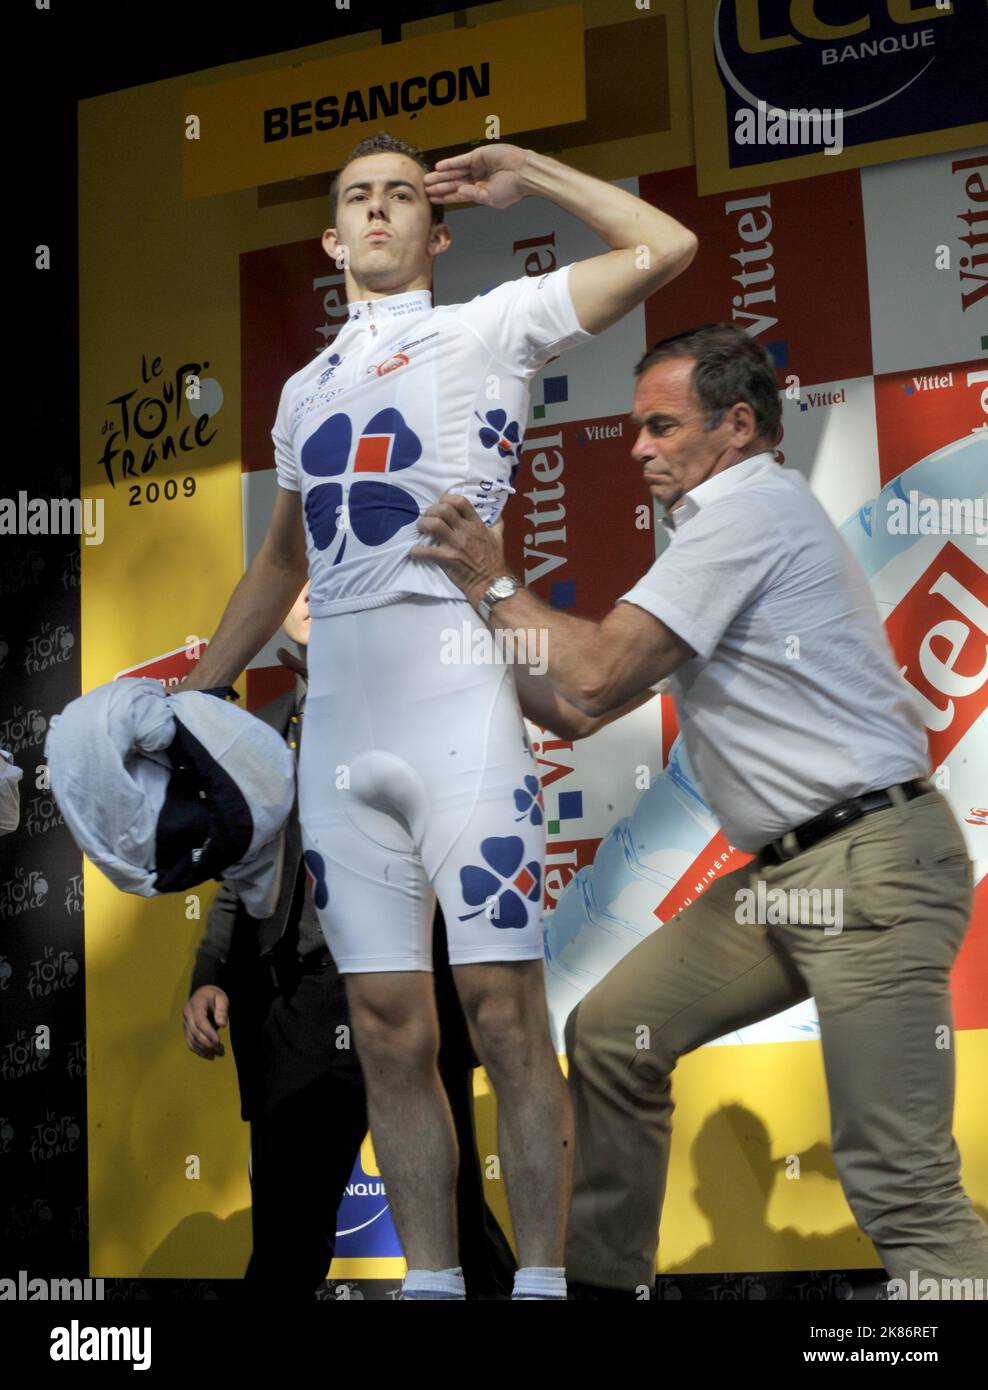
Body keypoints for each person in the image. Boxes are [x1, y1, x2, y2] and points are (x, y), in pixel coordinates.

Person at [181, 130, 697, 1300]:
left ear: (437, 227)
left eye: (400, 195)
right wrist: (201, 692)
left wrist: (528, 170)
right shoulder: (303, 390)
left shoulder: (490, 325)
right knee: (384, 1024)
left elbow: (665, 244)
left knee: (502, 1009)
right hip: (343, 736)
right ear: (329, 237)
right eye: (356, 198)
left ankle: (544, 1286)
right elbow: (276, 565)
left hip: (460, 708)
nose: (376, 211)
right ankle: (430, 1289)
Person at [412, 321, 988, 1299]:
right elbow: (577, 706)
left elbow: (589, 668)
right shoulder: (722, 532)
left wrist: (491, 579)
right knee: (610, 1034)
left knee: (899, 1175)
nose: (635, 446)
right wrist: (459, 643)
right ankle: (602, 1290)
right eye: (636, 427)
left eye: (658, 425)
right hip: (798, 879)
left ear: (735, 425)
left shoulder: (747, 513)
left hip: (873, 865)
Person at [182, 583, 517, 1299]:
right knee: (285, 1241)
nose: (304, 590)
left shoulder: (426, 704)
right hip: (297, 1004)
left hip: (412, 991)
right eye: (290, 577)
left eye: (321, 570)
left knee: (455, 1223)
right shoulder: (262, 735)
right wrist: (209, 974)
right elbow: (241, 876)